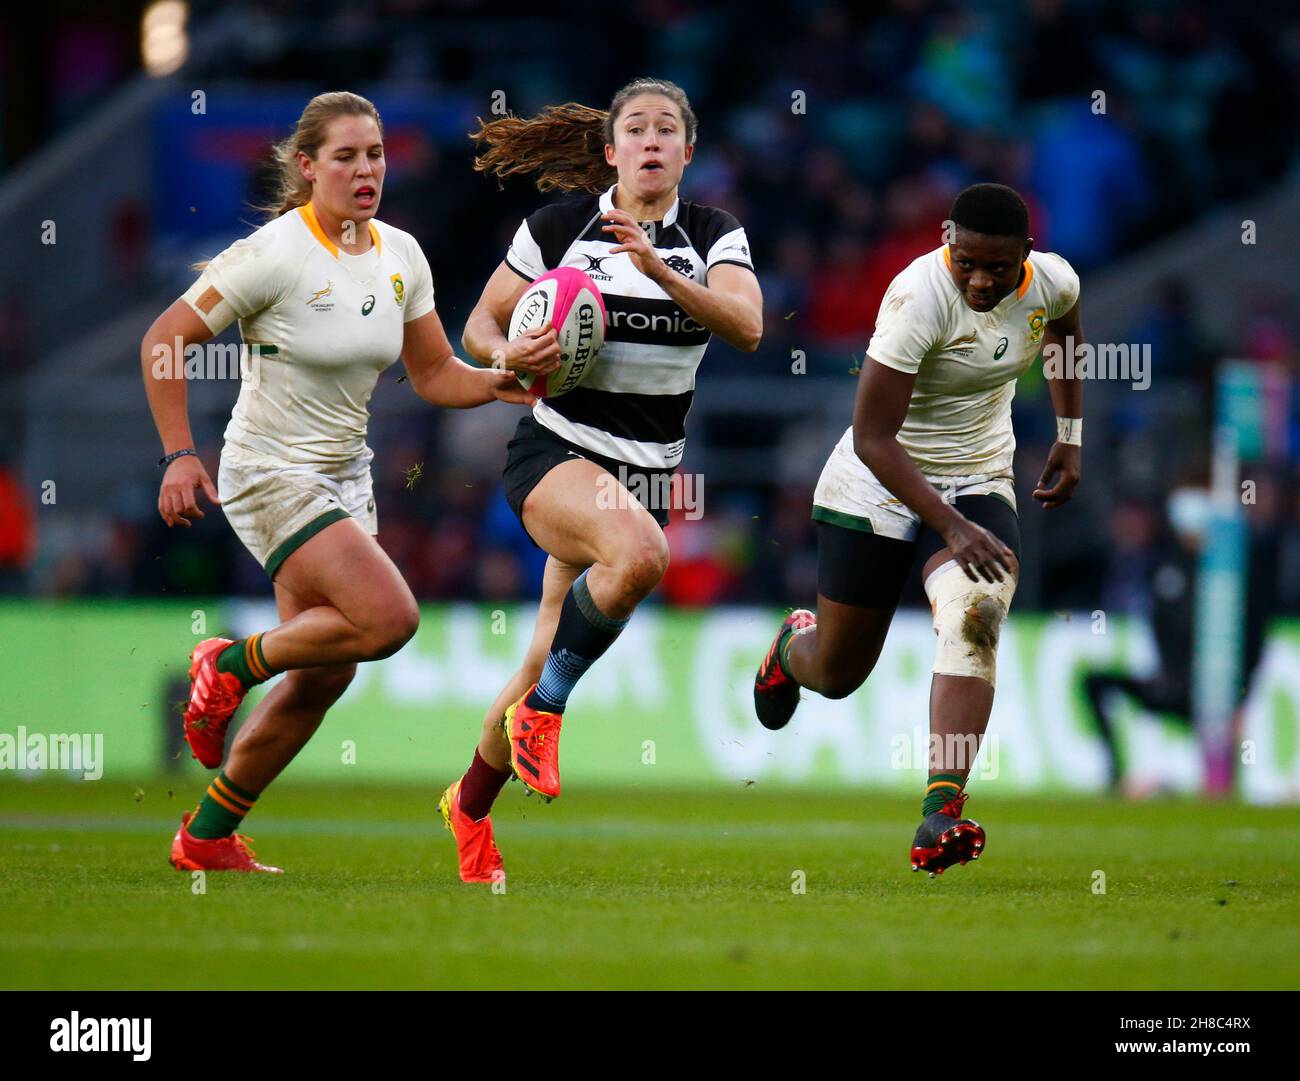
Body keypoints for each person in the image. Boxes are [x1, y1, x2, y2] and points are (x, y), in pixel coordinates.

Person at [141, 91, 530, 873]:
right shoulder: (272, 254)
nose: (366, 170)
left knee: (324, 674)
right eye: (347, 156)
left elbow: (432, 374)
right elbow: (164, 339)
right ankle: (226, 665)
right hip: (267, 470)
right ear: (308, 166)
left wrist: (499, 379)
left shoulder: (401, 256)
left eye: (376, 154)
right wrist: (179, 454)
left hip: (345, 478)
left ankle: (205, 837)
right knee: (390, 618)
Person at [438, 78, 763, 883]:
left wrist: (658, 269)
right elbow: (480, 323)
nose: (652, 140)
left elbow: (750, 326)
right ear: (611, 151)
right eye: (637, 129)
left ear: (688, 151)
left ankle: (470, 806)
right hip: (553, 452)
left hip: (642, 472)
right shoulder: (558, 227)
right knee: (642, 556)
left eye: (668, 129)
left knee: (541, 654)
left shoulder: (715, 237)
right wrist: (508, 354)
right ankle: (545, 716)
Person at [754, 183, 1084, 876]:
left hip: (978, 475)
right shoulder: (915, 299)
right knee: (839, 672)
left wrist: (1070, 432)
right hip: (876, 483)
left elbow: (1066, 323)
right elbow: (873, 437)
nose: (982, 279)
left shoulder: (1052, 281)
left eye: (998, 265)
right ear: (945, 239)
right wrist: (951, 525)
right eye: (968, 262)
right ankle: (789, 648)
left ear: (1027, 254)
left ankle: (940, 813)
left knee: (976, 612)